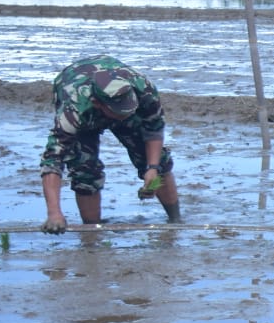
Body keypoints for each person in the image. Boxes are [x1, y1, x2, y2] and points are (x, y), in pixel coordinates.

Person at [39, 54, 181, 232]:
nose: (125, 113)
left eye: (128, 107)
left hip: (114, 99)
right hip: (82, 109)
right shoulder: (73, 111)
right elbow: (52, 161)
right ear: (97, 103)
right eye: (120, 111)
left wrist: (152, 168)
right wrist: (54, 212)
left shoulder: (143, 88)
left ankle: (176, 221)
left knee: (159, 161)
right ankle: (92, 234)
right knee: (85, 171)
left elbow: (154, 127)